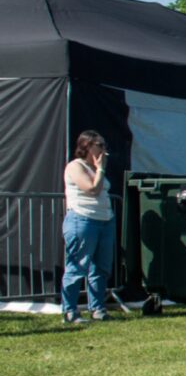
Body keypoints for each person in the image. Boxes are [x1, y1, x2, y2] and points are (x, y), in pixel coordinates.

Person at [60, 129, 116, 324]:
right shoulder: (76, 166)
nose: (104, 150)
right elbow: (92, 189)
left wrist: (99, 169)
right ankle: (70, 311)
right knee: (77, 267)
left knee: (101, 268)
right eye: (99, 145)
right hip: (82, 221)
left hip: (104, 221)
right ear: (86, 146)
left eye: (104, 146)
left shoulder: (95, 168)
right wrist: (100, 169)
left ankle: (98, 309)